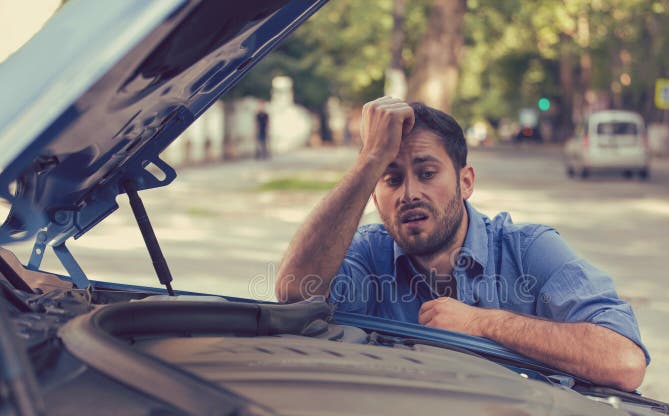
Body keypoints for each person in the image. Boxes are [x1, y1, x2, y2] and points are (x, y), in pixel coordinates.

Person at [276, 97, 648, 391]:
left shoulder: (528, 250)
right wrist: (370, 158)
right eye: (391, 179)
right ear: (374, 197)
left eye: (427, 173)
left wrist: (484, 323)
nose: (409, 193)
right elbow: (292, 293)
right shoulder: (365, 254)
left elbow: (623, 362)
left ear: (465, 182)